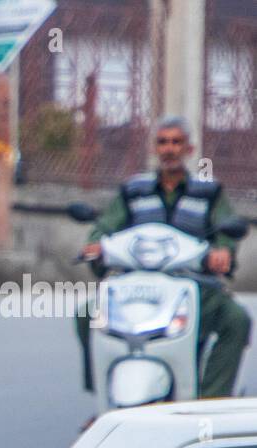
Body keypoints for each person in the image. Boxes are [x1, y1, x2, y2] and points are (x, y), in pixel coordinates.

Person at [76, 115, 250, 398]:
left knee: (236, 319)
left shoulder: (208, 192)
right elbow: (106, 226)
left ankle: (211, 397)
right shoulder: (133, 190)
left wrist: (222, 252)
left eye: (176, 142)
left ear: (189, 149)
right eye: (163, 142)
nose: (169, 149)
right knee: (87, 314)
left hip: (192, 287)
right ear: (154, 148)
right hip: (137, 286)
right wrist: (95, 246)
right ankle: (101, 390)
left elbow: (225, 232)